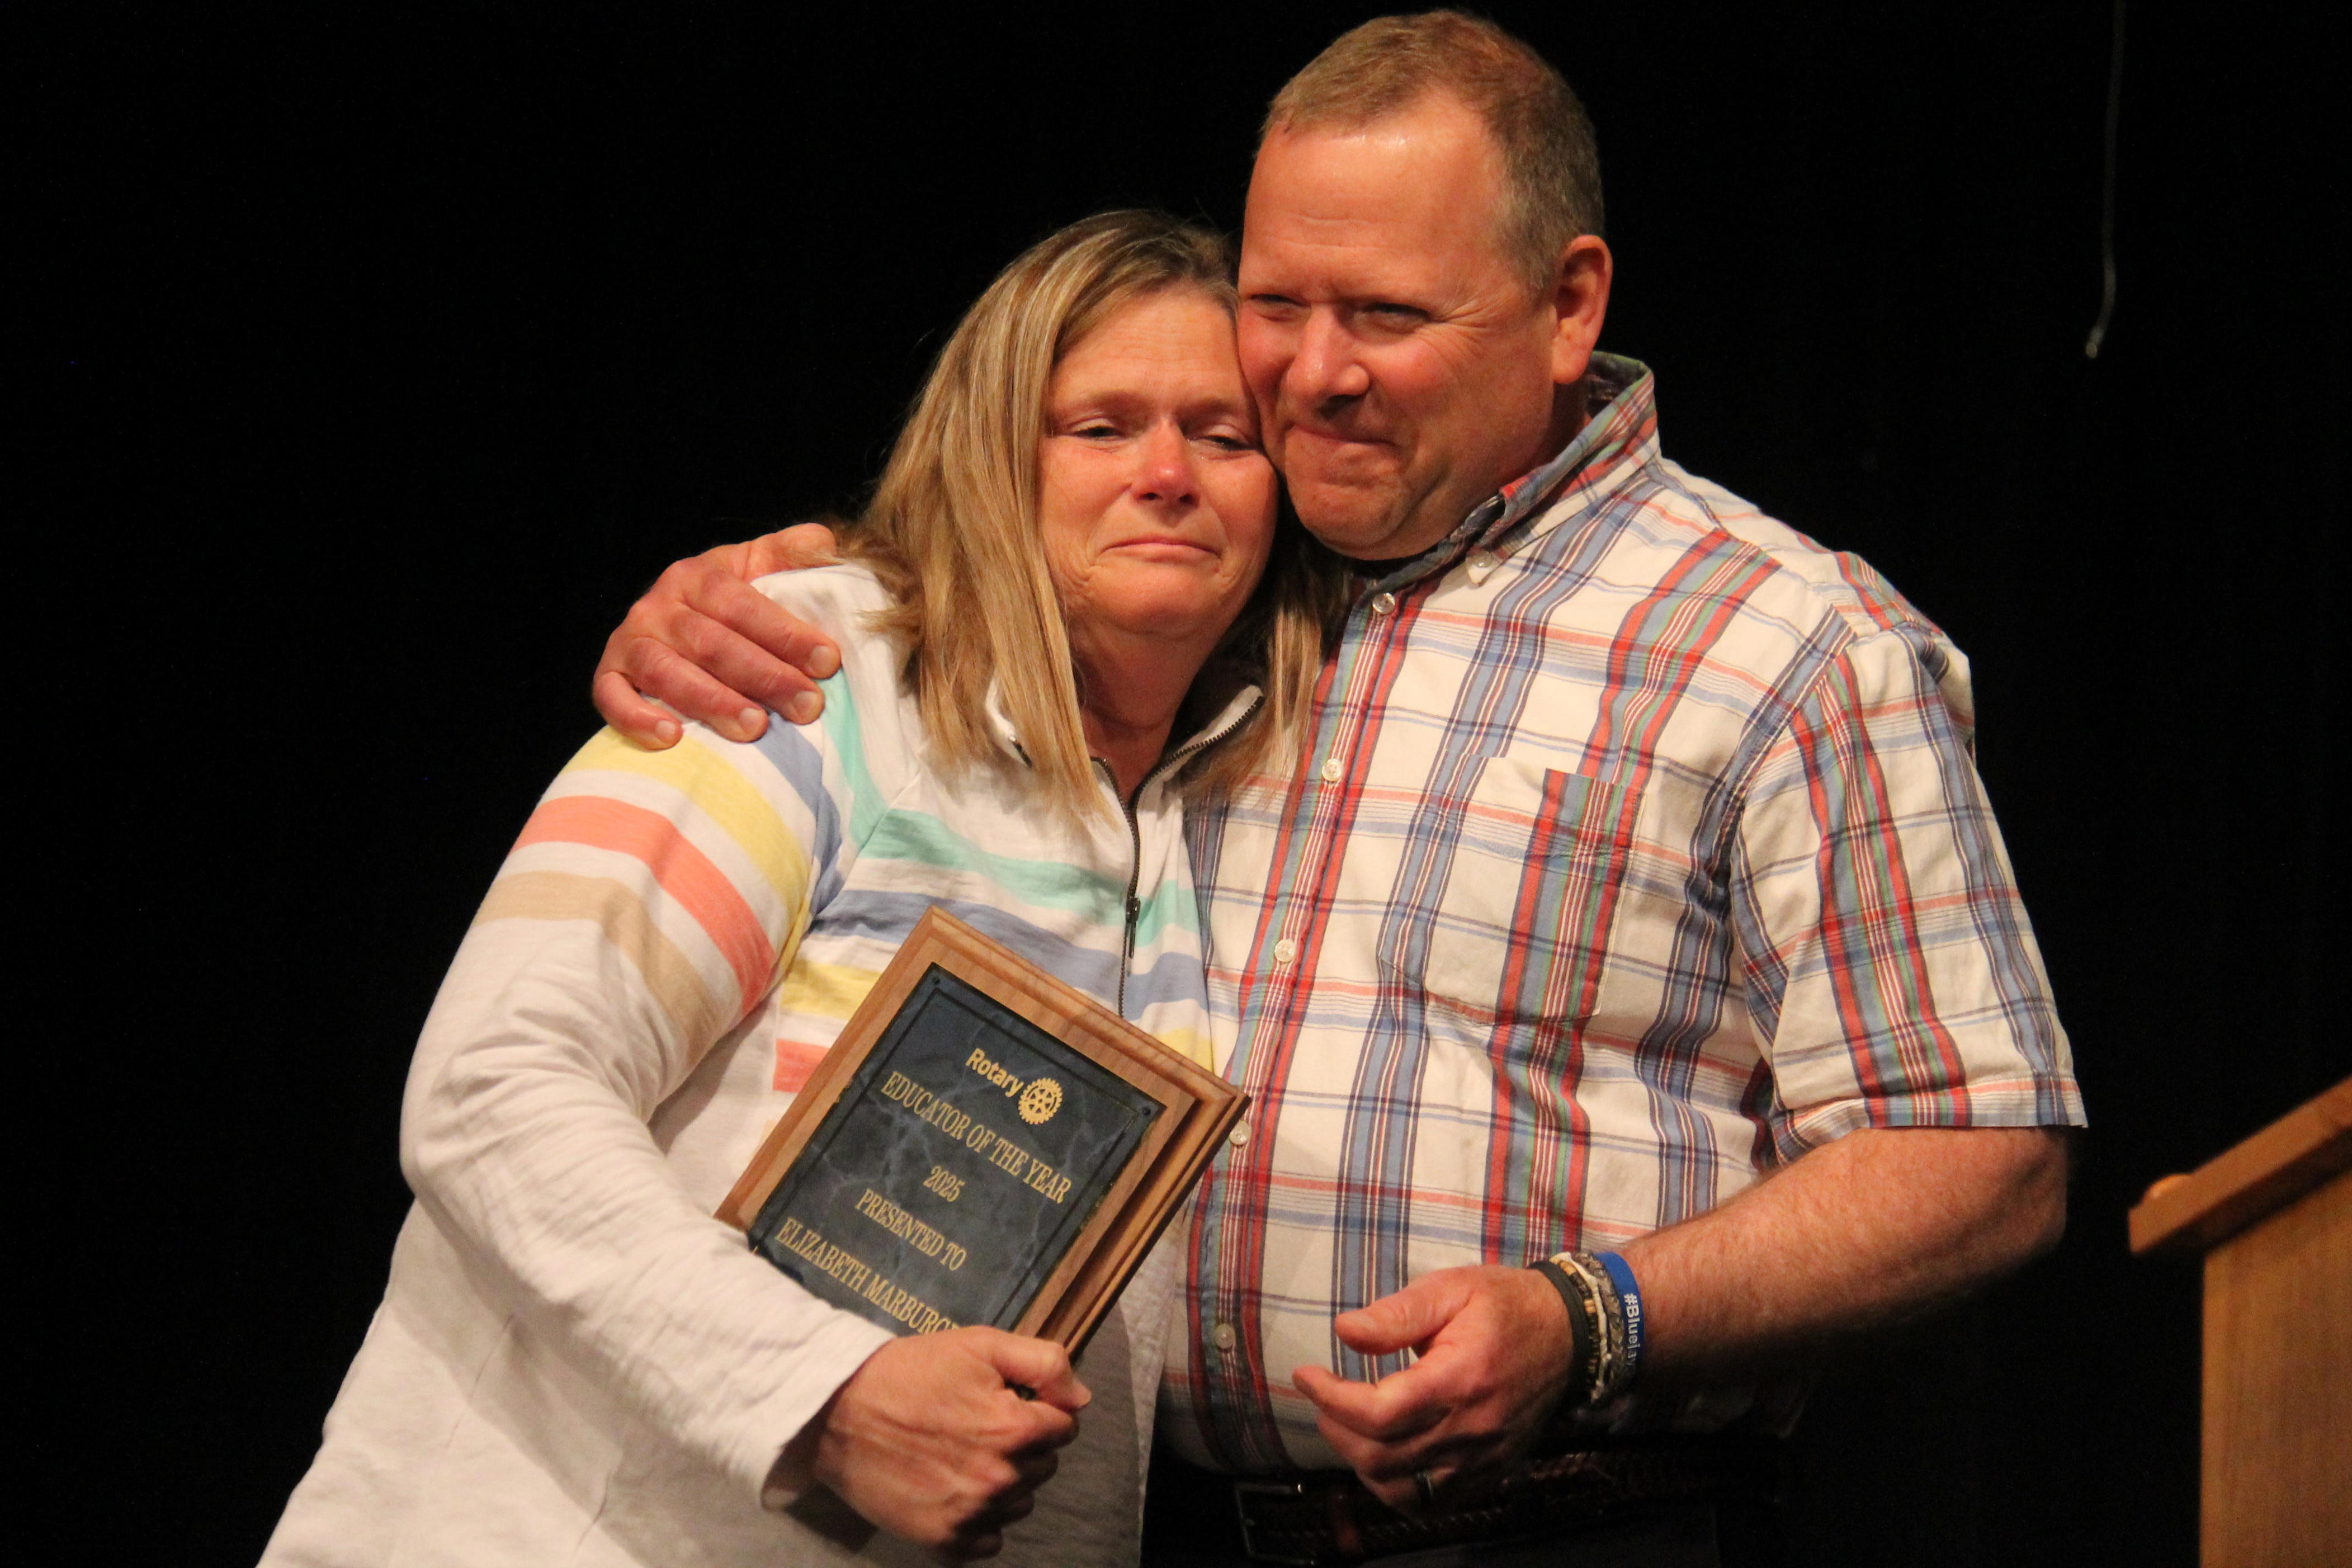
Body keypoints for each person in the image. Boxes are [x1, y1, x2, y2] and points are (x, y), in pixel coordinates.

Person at [591, 13, 2086, 1564]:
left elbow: (1976, 1152)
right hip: (1117, 1528)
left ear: (1568, 304)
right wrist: (760, 590)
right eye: (1274, 303)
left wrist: (1589, 1317)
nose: (1312, 374)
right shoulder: (1219, 571)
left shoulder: (1782, 645)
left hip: (1555, 1528)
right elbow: (954, 562)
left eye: (1381, 313)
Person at [261, 210, 1348, 1568]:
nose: (1169, 474)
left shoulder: (1237, 822)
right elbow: (495, 1083)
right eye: (1102, 425)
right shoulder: (807, 672)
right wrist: (821, 1395)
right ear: (996, 455)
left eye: (1225, 435)